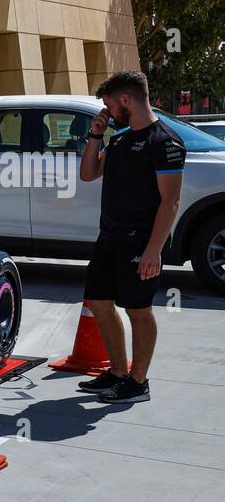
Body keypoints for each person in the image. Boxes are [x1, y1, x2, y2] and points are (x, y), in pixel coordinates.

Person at [77, 70, 184, 404]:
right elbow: (88, 173)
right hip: (109, 238)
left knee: (138, 309)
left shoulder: (164, 141)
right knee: (99, 302)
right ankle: (118, 372)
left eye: (109, 105)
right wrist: (95, 135)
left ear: (126, 100)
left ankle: (138, 382)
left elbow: (171, 201)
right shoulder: (119, 140)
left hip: (141, 243)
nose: (107, 113)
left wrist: (154, 250)